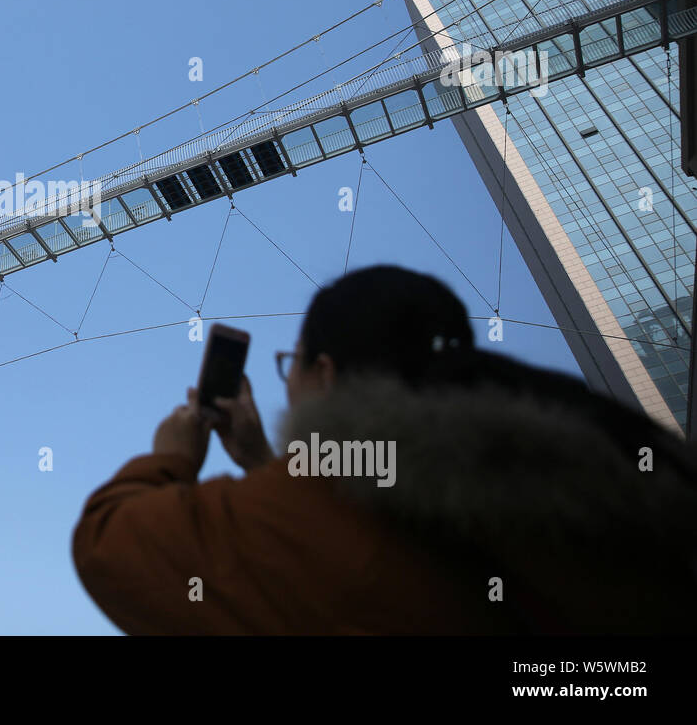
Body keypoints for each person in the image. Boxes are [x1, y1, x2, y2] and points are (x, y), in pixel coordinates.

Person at [71, 264, 697, 633]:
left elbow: (109, 546)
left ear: (325, 373)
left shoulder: (308, 509)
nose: (287, 386)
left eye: (290, 366)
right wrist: (264, 460)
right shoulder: (609, 457)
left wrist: (172, 458)